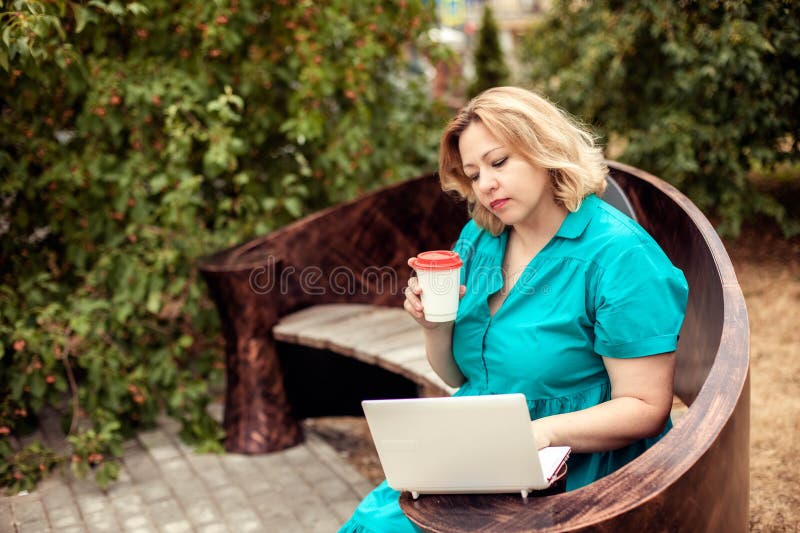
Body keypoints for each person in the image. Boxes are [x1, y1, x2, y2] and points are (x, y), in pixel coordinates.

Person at [339, 86, 688, 533]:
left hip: (579, 470)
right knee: (373, 523)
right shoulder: (482, 237)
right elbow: (461, 377)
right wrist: (433, 327)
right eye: (473, 173)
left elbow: (645, 406)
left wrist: (538, 434)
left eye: (498, 162)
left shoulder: (619, 256)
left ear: (544, 150)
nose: (485, 185)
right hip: (482, 449)